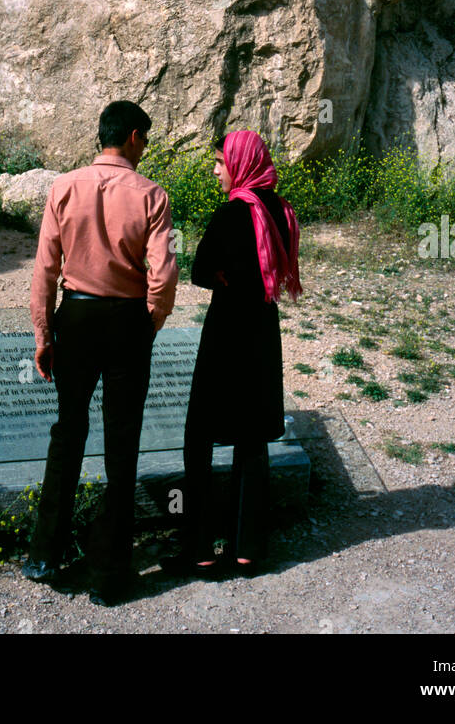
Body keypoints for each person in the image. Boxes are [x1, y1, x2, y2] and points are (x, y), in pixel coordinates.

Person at [27, 100, 177, 605]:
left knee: (67, 433)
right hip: (126, 321)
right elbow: (164, 274)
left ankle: (45, 552)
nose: (146, 146)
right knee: (122, 443)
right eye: (146, 138)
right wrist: (149, 324)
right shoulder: (152, 195)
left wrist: (44, 333)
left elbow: (45, 268)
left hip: (76, 317)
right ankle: (109, 574)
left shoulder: (63, 186)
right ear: (134, 137)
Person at [171, 129, 301, 577]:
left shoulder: (231, 214)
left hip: (227, 330)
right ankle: (248, 551)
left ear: (239, 165)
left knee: (200, 435)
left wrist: (223, 274)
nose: (215, 171)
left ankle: (201, 549)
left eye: (220, 163)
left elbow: (200, 270)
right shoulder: (282, 212)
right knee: (251, 439)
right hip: (263, 330)